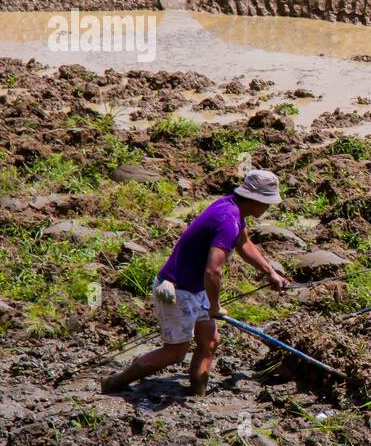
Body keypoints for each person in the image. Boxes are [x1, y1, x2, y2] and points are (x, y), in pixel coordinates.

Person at [101, 170, 289, 397]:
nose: (269, 208)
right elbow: (213, 271)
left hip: (195, 288)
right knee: (174, 353)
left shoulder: (233, 210)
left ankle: (198, 392)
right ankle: (114, 382)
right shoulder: (227, 221)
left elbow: (244, 243)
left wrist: (270, 272)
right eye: (268, 202)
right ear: (256, 199)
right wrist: (215, 306)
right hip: (176, 289)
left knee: (209, 341)